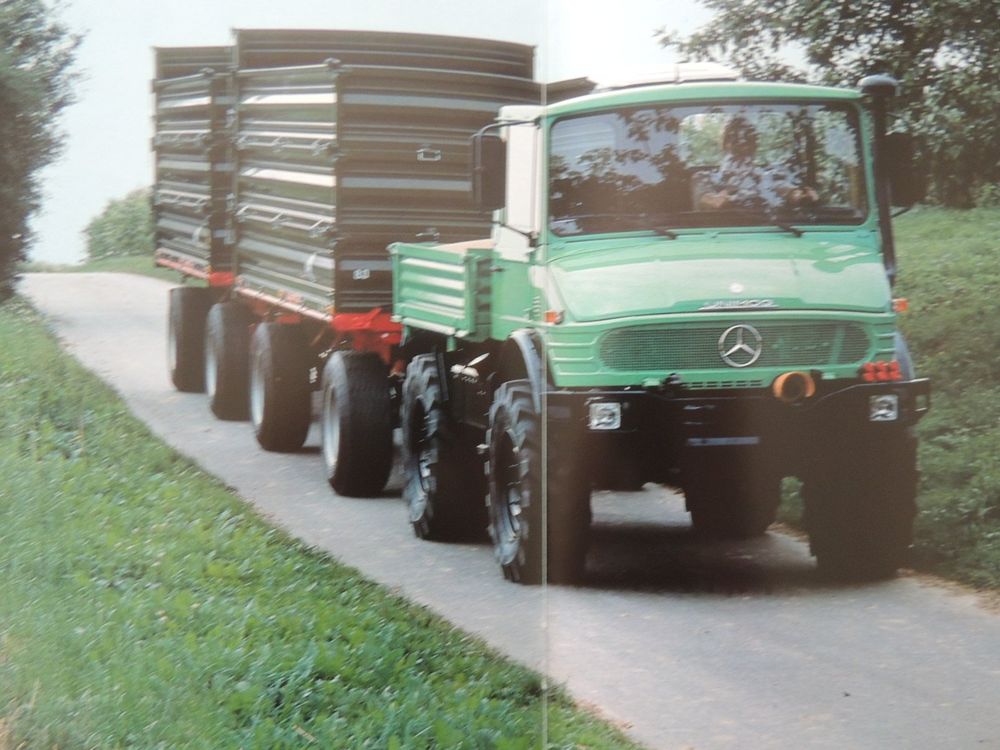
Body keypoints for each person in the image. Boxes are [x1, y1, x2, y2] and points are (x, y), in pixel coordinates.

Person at [697, 116, 818, 211]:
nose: (741, 147)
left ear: (754, 147)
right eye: (735, 142)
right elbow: (709, 201)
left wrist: (800, 196)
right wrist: (727, 194)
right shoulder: (704, 177)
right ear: (724, 145)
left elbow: (784, 190)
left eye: (748, 142)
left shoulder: (765, 177)